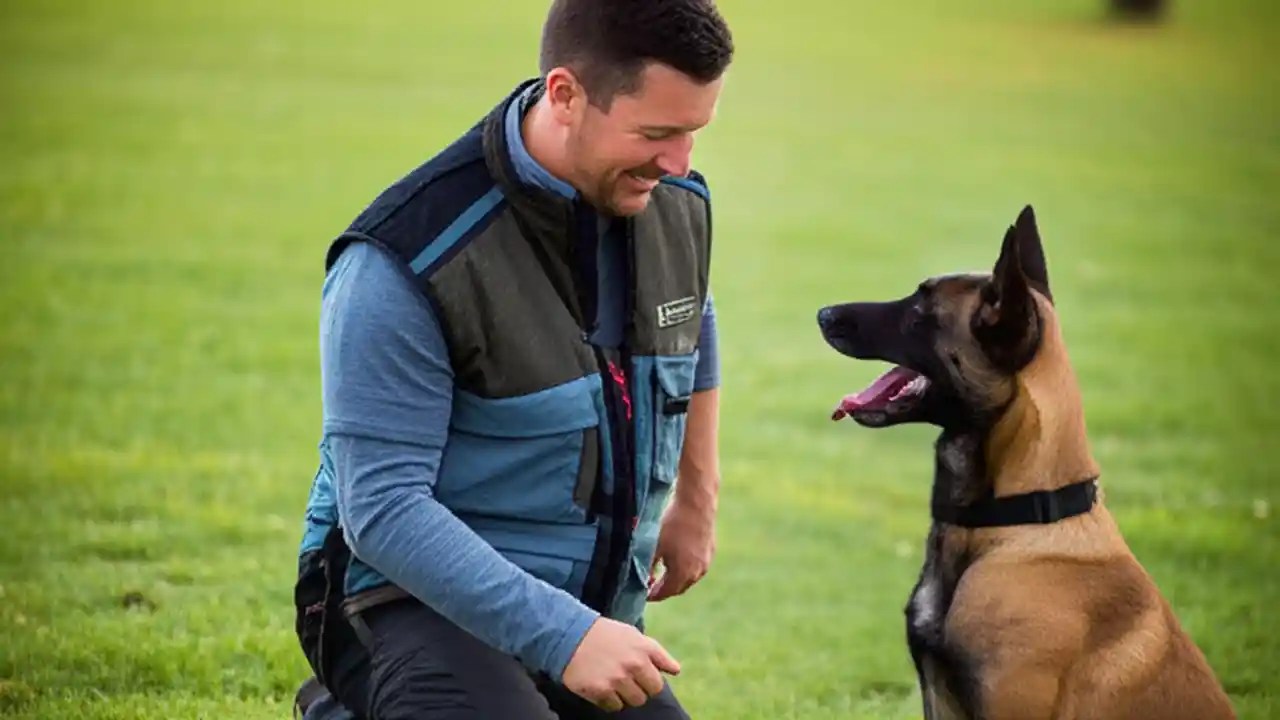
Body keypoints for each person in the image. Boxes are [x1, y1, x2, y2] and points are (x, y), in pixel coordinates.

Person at [291, 1, 735, 718]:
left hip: (577, 612)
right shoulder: (406, 259)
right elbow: (382, 509)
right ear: (565, 95)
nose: (679, 163)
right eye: (655, 133)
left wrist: (697, 498)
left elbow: (691, 315)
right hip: (401, 601)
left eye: (693, 132)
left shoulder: (669, 201)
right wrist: (566, 635)